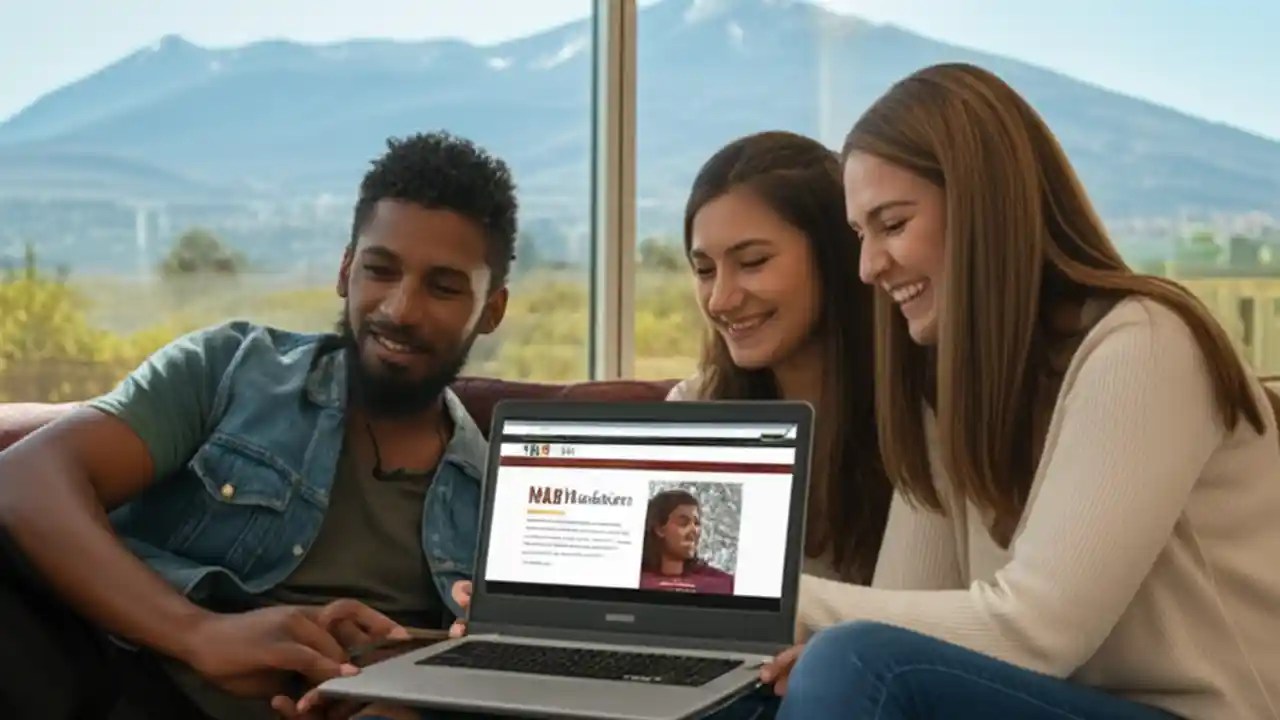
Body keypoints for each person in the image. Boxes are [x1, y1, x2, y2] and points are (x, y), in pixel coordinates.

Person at [759, 62, 1280, 720]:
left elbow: (1037, 633)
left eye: (892, 225)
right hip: (1056, 702)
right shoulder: (949, 384)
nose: (868, 268)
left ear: (986, 209)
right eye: (861, 235)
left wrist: (748, 598)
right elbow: (904, 604)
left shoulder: (1146, 345)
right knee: (774, 681)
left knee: (847, 661)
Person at [0, 130, 516, 720]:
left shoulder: (500, 502)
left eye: (443, 287)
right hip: (123, 680)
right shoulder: (232, 369)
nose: (400, 309)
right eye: (381, 270)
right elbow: (23, 479)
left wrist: (391, 680)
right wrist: (199, 634)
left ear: (491, 310)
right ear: (346, 272)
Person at [669, 129, 892, 588]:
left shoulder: (915, 415)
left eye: (752, 262)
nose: (720, 300)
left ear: (837, 256)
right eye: (705, 271)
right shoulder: (696, 407)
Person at [638, 489, 735, 594]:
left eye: (696, 523)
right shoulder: (633, 578)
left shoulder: (722, 582)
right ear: (659, 529)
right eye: (683, 523)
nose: (694, 530)